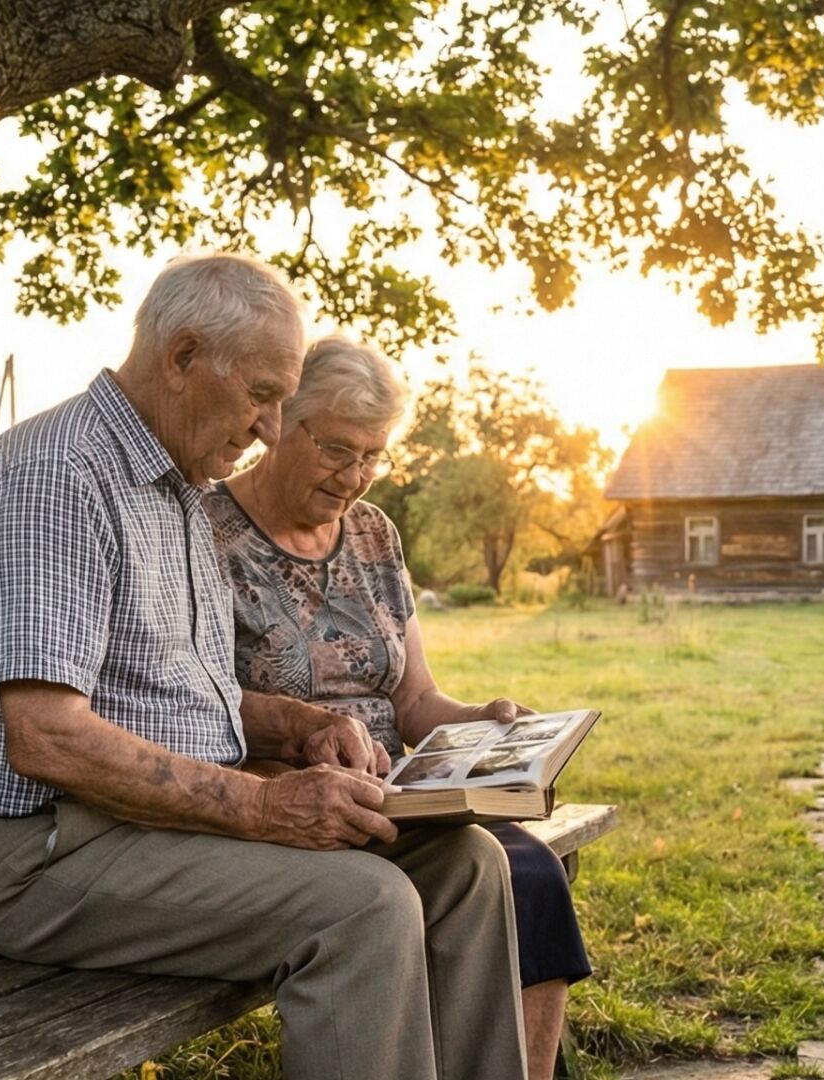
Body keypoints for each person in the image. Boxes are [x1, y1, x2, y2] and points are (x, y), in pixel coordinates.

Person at [0, 253, 529, 1080]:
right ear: (181, 359)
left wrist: (304, 723)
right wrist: (263, 805)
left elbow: (184, 694)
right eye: (262, 396)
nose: (271, 431)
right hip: (51, 857)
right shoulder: (55, 479)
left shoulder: (171, 488)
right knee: (366, 905)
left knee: (464, 866)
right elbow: (47, 740)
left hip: (155, 832)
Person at [204, 334, 593, 1080]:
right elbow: (200, 702)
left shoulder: (375, 532)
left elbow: (414, 698)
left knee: (532, 873)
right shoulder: (207, 531)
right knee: (489, 877)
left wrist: (490, 725)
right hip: (292, 801)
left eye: (373, 455)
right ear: (284, 420)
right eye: (338, 451)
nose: (355, 476)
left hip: (404, 792)